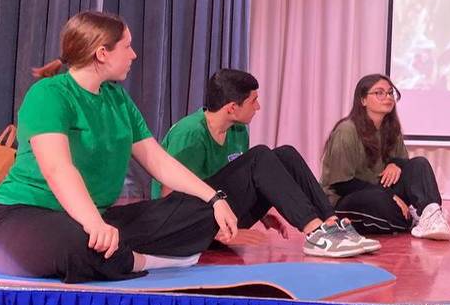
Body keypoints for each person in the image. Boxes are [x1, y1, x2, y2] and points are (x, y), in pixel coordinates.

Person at [0, 12, 234, 283]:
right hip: (23, 215)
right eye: (127, 46)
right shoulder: (49, 94)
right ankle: (142, 261)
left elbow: (157, 160)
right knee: (81, 244)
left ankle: (118, 252)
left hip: (94, 215)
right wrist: (95, 224)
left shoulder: (116, 97)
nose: (133, 54)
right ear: (102, 53)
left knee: (200, 212)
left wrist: (213, 198)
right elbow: (58, 169)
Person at [153, 69, 379, 258]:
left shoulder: (238, 130)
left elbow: (237, 179)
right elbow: (169, 199)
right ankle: (314, 232)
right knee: (260, 155)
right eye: (253, 101)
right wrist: (217, 233)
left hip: (223, 215)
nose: (258, 107)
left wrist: (262, 212)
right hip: (189, 227)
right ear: (232, 107)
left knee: (285, 154)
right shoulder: (190, 133)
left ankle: (331, 225)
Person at [320, 74, 450, 240]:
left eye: (390, 93)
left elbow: (404, 165)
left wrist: (395, 164)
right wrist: (390, 195)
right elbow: (342, 184)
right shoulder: (346, 130)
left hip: (381, 189)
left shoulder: (391, 128)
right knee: (379, 201)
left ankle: (430, 214)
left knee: (419, 164)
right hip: (345, 198)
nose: (388, 97)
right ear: (363, 100)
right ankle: (413, 219)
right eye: (379, 93)